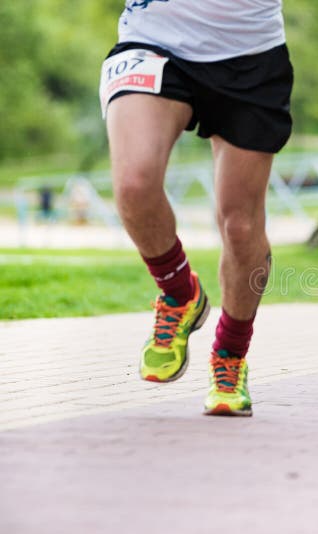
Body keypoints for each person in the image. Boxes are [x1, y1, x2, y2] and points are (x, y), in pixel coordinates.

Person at [100, 0, 293, 416]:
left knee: (240, 226)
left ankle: (230, 355)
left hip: (250, 52)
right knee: (134, 184)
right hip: (152, 37)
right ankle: (178, 293)